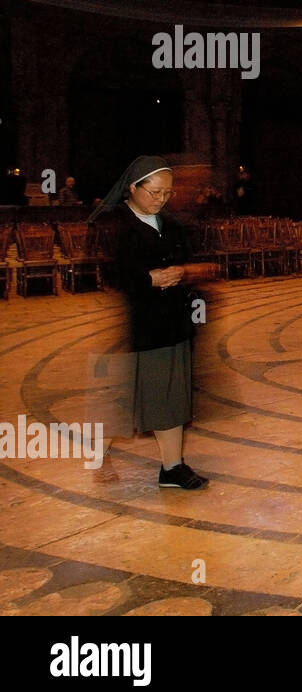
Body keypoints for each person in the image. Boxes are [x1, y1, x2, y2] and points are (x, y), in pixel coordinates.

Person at [88, 156, 217, 490]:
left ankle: (172, 468)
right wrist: (149, 279)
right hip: (143, 326)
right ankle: (99, 454)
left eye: (167, 193)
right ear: (133, 187)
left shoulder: (171, 225)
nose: (161, 198)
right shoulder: (116, 226)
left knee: (171, 397)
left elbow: (188, 262)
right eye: (155, 191)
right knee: (132, 399)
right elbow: (110, 273)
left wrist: (185, 272)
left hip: (175, 323)